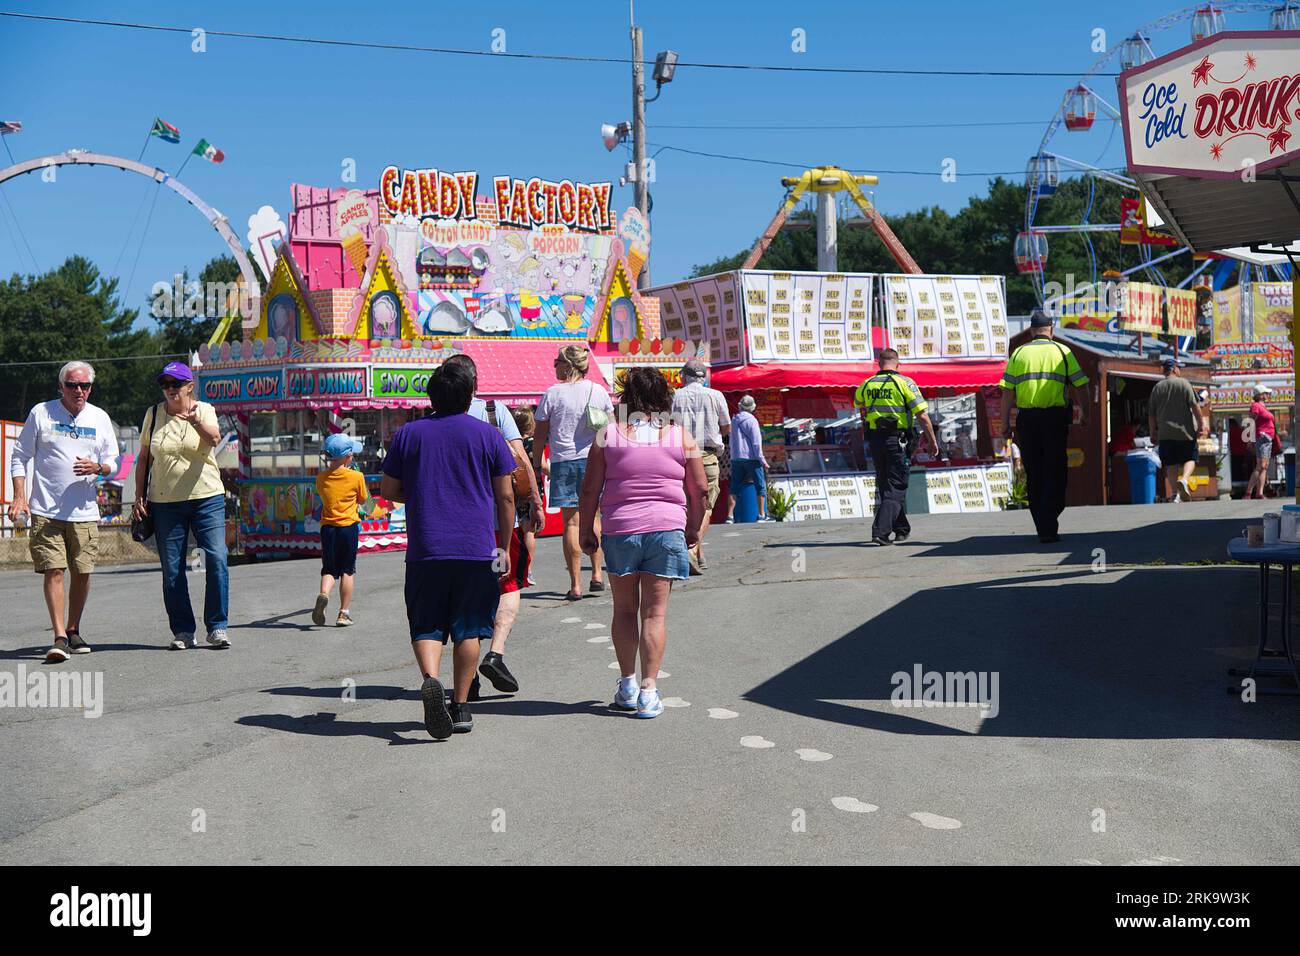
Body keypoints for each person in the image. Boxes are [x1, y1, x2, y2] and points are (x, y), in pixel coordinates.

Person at [380, 362, 515, 739]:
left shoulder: (409, 435)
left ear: (431, 396)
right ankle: (461, 705)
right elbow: (505, 496)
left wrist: (423, 495)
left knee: (426, 623)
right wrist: (503, 547)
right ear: (470, 395)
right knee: (469, 629)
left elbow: (389, 491)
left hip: (427, 549)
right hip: (477, 549)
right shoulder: (488, 436)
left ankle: (430, 681)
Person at [578, 367, 708, 718]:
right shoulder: (682, 437)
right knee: (655, 613)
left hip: (621, 530)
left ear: (625, 396)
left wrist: (585, 530)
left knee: (623, 610)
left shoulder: (608, 435)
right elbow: (700, 489)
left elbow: (590, 488)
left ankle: (627, 683)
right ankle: (649, 692)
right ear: (664, 397)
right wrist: (693, 528)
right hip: (666, 530)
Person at [441, 353, 545, 699]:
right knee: (509, 585)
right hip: (501, 524)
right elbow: (521, 460)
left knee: (465, 596)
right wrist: (535, 502)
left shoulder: (435, 417)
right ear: (474, 383)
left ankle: (466, 676)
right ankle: (495, 654)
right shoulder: (493, 411)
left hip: (457, 528)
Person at [7, 361, 119, 662]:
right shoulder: (41, 413)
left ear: (91, 388)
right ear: (61, 387)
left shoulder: (100, 418)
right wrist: (20, 498)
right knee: (54, 569)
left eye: (84, 385)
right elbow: (20, 457)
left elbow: (115, 462)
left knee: (82, 572)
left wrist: (99, 468)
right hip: (46, 509)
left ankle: (73, 629)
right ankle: (58, 636)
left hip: (84, 511)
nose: (78, 390)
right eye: (72, 385)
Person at [132, 362, 231, 649]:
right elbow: (144, 459)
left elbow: (214, 439)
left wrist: (195, 422)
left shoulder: (204, 409)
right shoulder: (153, 415)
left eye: (176, 384)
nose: (171, 389)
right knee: (172, 569)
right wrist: (139, 496)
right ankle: (184, 631)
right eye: (165, 385)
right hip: (165, 503)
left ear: (190, 386)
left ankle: (217, 627)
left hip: (206, 497)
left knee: (216, 557)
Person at [999, 310, 1089, 543]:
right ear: (1051, 330)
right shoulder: (1063, 351)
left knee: (1034, 471)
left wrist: (1004, 425)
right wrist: (1085, 414)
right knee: (1055, 469)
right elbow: (1081, 386)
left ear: (1031, 331)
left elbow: (1007, 394)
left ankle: (1042, 521)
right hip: (1055, 420)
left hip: (1027, 421)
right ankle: (1049, 519)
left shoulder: (1018, 353)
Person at [532, 344, 614, 600]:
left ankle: (576, 584)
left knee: (572, 523)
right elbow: (611, 429)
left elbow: (540, 434)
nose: (554, 366)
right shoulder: (598, 391)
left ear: (568, 365)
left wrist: (536, 462)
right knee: (595, 518)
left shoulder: (552, 394)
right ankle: (597, 574)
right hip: (595, 460)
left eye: (557, 362)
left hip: (563, 461)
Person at [854, 348, 940, 546]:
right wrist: (932, 441)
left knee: (886, 483)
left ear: (879, 363)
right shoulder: (905, 383)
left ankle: (901, 528)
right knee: (897, 484)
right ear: (897, 363)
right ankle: (881, 531)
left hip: (875, 440)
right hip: (897, 440)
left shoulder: (866, 384)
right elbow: (923, 416)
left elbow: (860, 405)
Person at [669, 358, 730, 573]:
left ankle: (697, 553)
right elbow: (726, 427)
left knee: (686, 504)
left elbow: (666, 426)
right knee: (706, 505)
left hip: (680, 456)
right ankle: (692, 551)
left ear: (684, 376)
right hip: (707, 454)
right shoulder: (715, 395)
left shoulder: (674, 396)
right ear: (704, 377)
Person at [313, 433, 368, 627]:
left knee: (328, 569)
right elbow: (362, 499)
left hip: (328, 528)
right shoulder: (356, 476)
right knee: (347, 570)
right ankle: (343, 613)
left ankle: (323, 594)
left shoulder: (321, 478)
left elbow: (323, 496)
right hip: (348, 527)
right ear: (347, 457)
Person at [1147, 357, 1206, 503]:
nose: (1180, 370)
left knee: (1171, 464)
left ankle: (1174, 494)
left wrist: (1152, 431)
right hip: (1184, 432)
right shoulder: (1184, 384)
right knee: (1190, 458)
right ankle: (1185, 480)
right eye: (1179, 367)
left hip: (1165, 434)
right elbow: (1195, 406)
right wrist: (1201, 424)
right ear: (1174, 369)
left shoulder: (1157, 388)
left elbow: (1151, 414)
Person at [729, 395, 774, 522]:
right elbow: (756, 443)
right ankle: (761, 515)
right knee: (760, 486)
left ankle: (730, 516)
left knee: (734, 487)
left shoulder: (734, 420)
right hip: (752, 458)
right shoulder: (752, 421)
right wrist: (763, 460)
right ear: (752, 407)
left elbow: (732, 441)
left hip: (736, 458)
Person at [512, 405, 540, 587]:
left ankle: (520, 565)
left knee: (520, 529)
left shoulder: (511, 443)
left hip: (516, 491)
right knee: (530, 530)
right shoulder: (531, 443)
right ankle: (528, 568)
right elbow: (542, 465)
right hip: (530, 490)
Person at [1245, 385, 1277, 500]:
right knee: (1260, 465)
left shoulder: (1263, 406)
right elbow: (1251, 421)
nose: (1268, 395)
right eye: (1266, 393)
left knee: (1264, 466)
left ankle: (1259, 492)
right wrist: (1249, 439)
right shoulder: (1255, 406)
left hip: (1267, 438)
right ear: (1260, 394)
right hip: (1262, 437)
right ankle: (1248, 493)